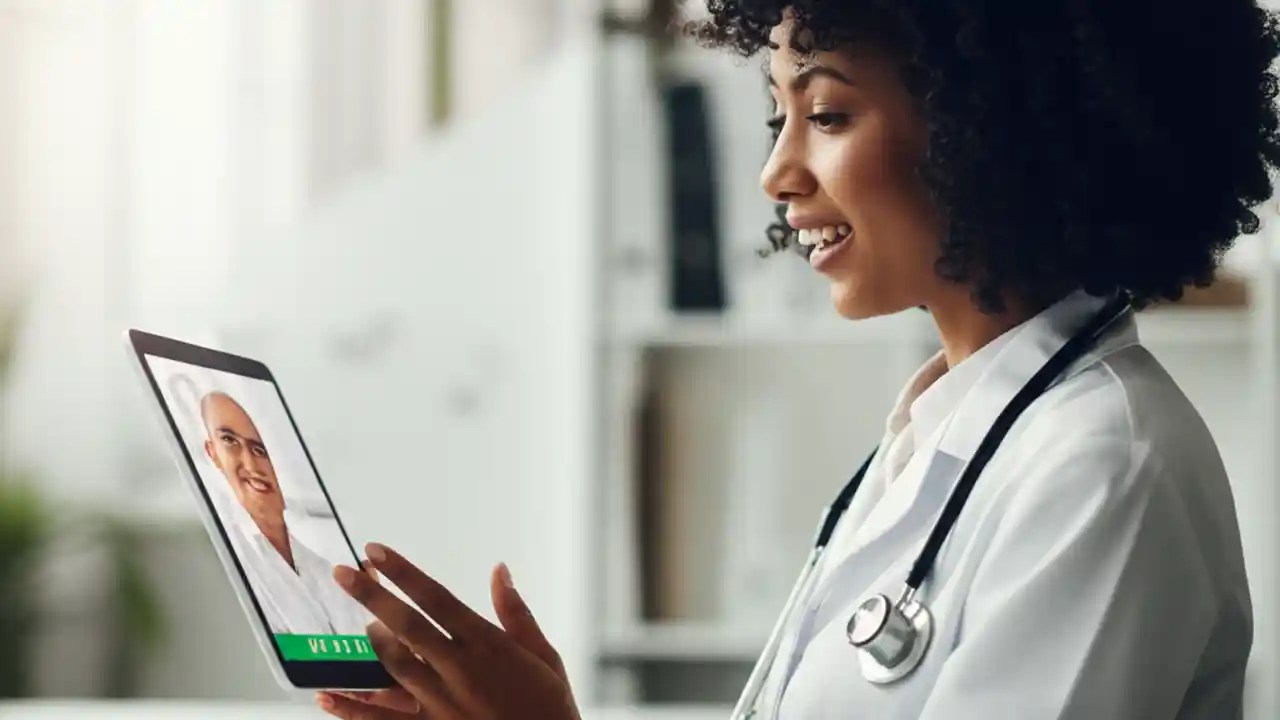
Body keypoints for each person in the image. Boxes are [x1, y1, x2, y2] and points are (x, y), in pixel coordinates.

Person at [317, 1, 1280, 718]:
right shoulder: (941, 440)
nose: (777, 173)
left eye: (825, 116)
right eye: (779, 114)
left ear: (998, 128)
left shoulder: (1103, 464)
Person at [201, 391, 368, 636]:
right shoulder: (232, 562)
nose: (250, 464)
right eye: (229, 440)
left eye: (260, 450)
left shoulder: (325, 566)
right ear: (212, 452)